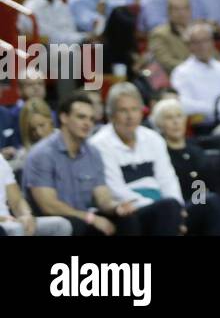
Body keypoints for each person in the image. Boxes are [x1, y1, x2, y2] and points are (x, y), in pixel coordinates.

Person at [23, 92, 140, 236]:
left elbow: (102, 197)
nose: (87, 123)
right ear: (64, 117)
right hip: (53, 222)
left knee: (127, 219)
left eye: (91, 119)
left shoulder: (93, 153)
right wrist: (90, 218)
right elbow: (49, 206)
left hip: (84, 218)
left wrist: (116, 207)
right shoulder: (41, 154)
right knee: (80, 226)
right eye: (81, 117)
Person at [88, 83, 183, 235]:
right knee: (167, 209)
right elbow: (116, 190)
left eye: (134, 109)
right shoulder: (99, 144)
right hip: (129, 210)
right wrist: (161, 206)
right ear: (111, 115)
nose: (130, 116)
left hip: (164, 207)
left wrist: (178, 209)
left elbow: (168, 180)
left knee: (210, 203)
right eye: (123, 110)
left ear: (141, 112)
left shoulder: (154, 138)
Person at [151, 97, 220, 236]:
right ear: (160, 124)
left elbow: (214, 183)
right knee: (210, 202)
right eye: (169, 118)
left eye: (179, 116)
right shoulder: (159, 152)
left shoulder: (196, 149)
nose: (176, 122)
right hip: (182, 208)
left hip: (208, 203)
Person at [171, 22, 220, 127]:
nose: (203, 46)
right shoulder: (181, 72)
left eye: (206, 40)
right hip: (204, 126)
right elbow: (184, 104)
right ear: (189, 46)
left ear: (212, 42)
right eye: (197, 42)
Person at [1, 150, 71, 236]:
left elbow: (17, 201)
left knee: (61, 225)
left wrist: (26, 215)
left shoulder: (1, 161)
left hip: (10, 222)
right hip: (6, 224)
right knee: (15, 229)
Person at [148, 0, 193, 75]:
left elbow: (212, 55)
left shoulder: (198, 31)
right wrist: (195, 68)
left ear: (190, 11)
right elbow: (165, 62)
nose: (181, 13)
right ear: (169, 12)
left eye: (185, 8)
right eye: (176, 9)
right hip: (173, 78)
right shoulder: (159, 34)